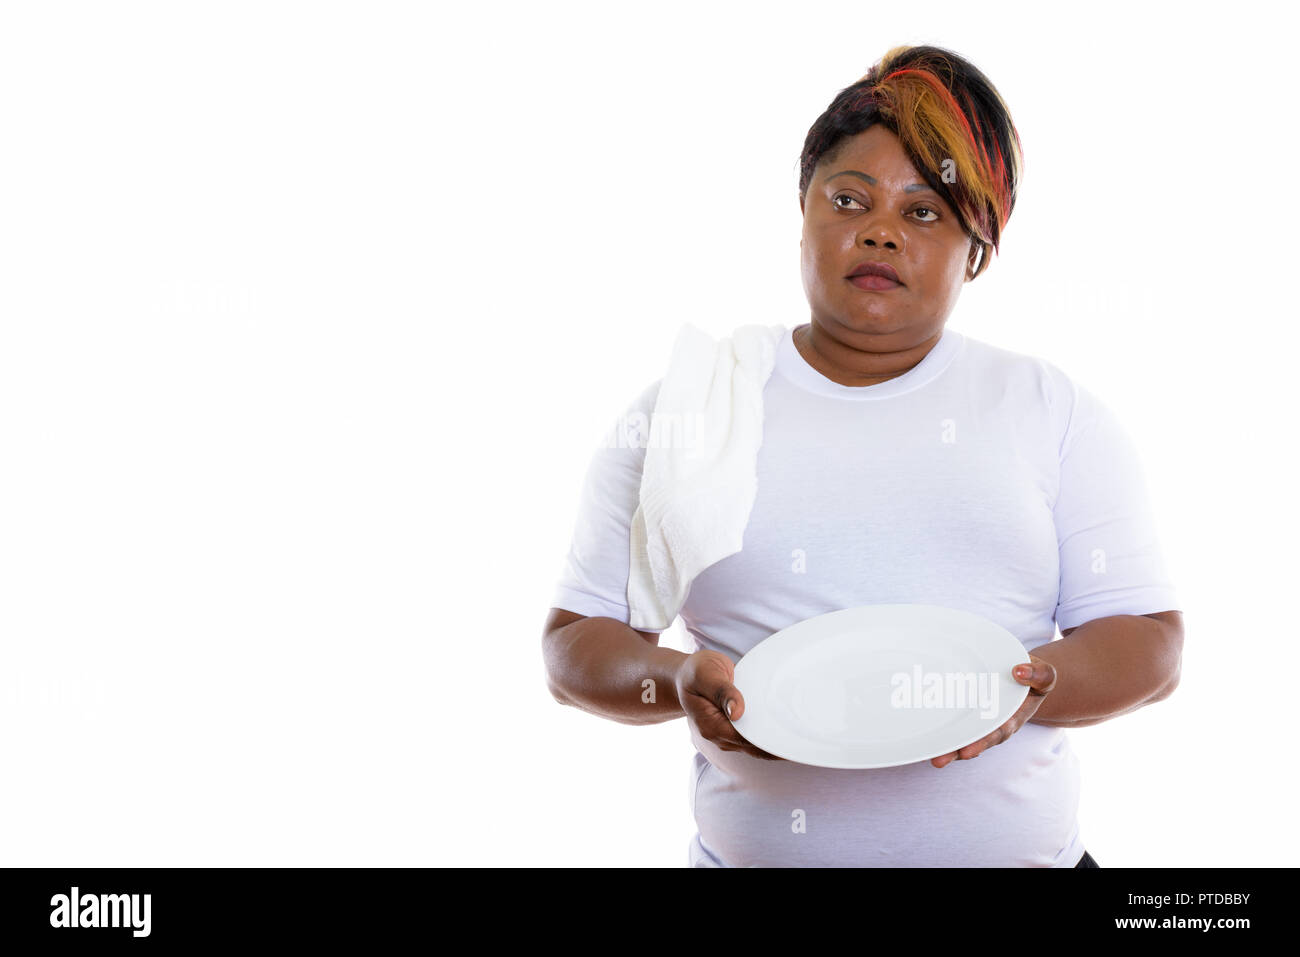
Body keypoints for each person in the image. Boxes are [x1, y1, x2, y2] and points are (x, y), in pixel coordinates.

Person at [541, 44, 1183, 867]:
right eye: (849, 199)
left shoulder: (1046, 408)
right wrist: (672, 680)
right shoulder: (692, 406)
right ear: (802, 210)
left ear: (976, 247)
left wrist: (1032, 687)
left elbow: (1149, 642)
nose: (879, 230)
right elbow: (574, 644)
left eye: (924, 212)